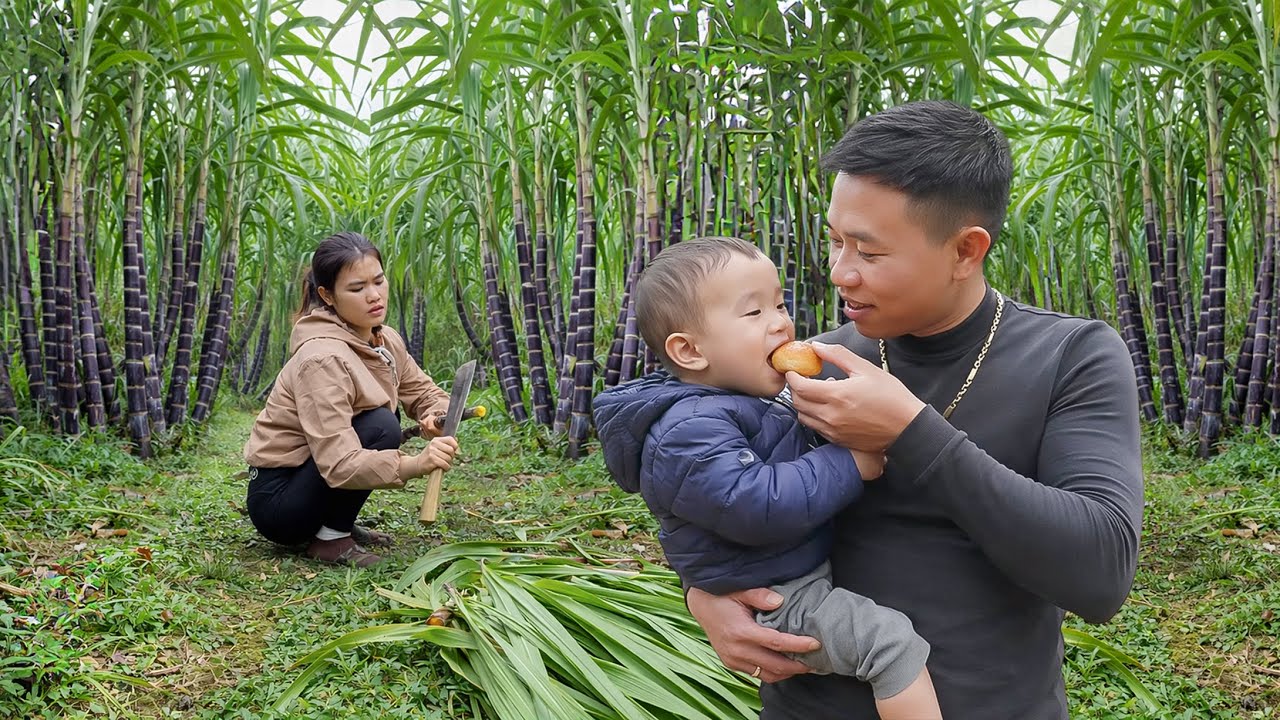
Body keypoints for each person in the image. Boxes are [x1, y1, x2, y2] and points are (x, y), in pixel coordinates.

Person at [682, 100, 1144, 719]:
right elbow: (709, 487)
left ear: (964, 251)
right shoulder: (817, 363)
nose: (840, 273)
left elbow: (1101, 573)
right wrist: (702, 594)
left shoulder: (1070, 357)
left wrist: (911, 432)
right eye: (836, 242)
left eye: (869, 253)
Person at [593, 237, 943, 719]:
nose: (781, 321)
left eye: (779, 304)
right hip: (776, 597)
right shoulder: (688, 428)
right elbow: (750, 505)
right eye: (753, 313)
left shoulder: (746, 396)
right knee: (891, 647)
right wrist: (849, 464)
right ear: (690, 351)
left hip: (785, 570)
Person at [242, 231, 459, 567]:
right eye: (357, 289)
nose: (374, 296)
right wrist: (417, 464)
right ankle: (330, 540)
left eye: (379, 281)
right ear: (327, 295)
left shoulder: (383, 339)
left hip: (309, 483)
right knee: (381, 424)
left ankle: (331, 523)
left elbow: (423, 392)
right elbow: (338, 462)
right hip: (279, 503)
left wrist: (438, 414)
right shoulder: (322, 359)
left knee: (381, 423)